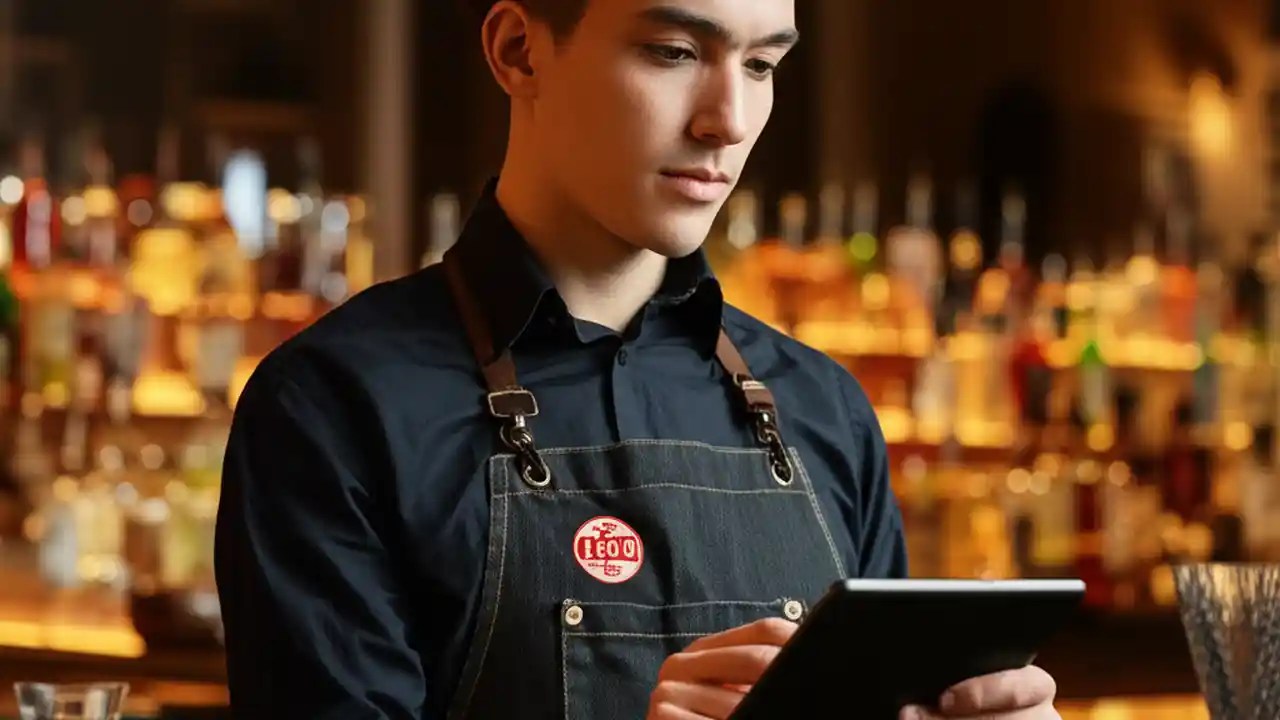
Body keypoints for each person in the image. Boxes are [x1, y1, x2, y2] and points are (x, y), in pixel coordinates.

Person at [214, 1, 1063, 718]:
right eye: (675, 52)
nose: (727, 119)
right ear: (519, 52)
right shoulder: (331, 408)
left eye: (763, 65)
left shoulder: (825, 410)